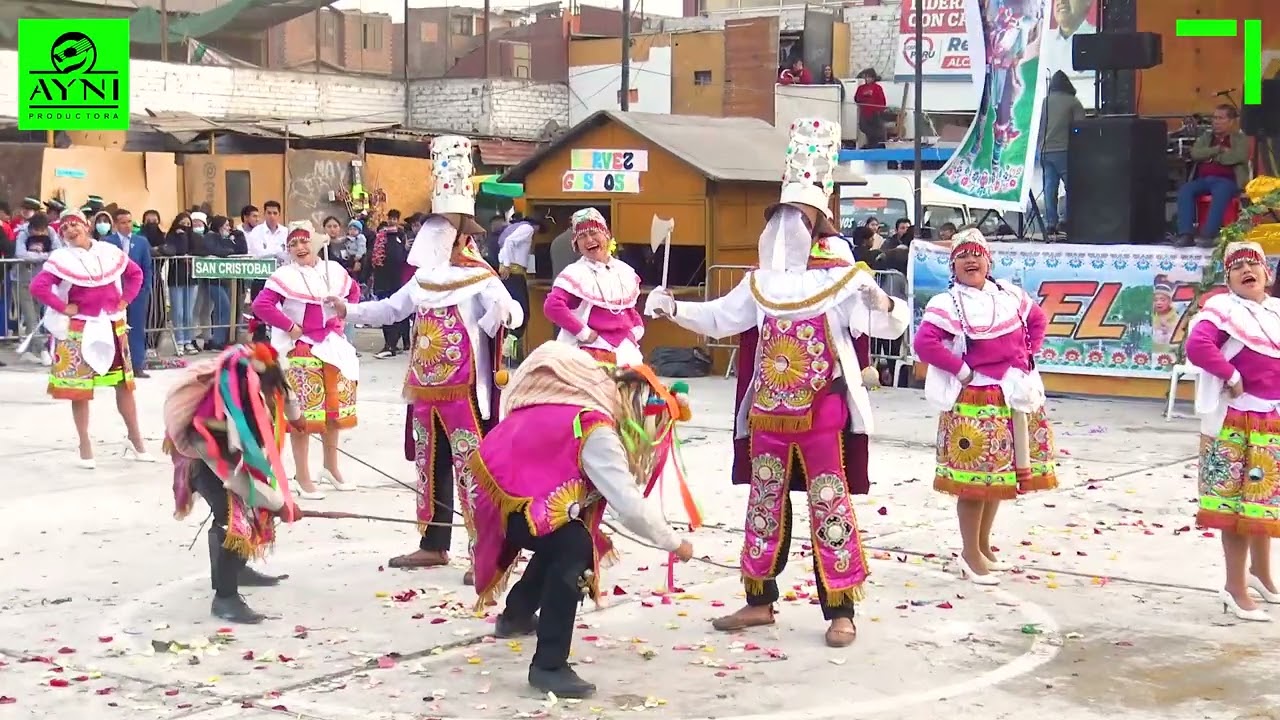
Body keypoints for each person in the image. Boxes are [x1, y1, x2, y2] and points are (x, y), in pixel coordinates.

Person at [644, 118, 909, 647]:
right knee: (764, 502)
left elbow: (883, 326)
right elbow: (720, 318)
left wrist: (888, 303)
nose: (787, 228)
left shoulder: (841, 279)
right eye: (782, 218)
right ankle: (759, 600)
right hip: (767, 413)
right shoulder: (760, 284)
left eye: (798, 218)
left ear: (817, 226)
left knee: (827, 501)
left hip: (822, 411)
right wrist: (673, 306)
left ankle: (841, 608)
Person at [329, 135, 522, 578]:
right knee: (429, 464)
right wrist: (349, 309)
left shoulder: (479, 277)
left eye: (438, 231)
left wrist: (503, 310)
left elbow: (512, 312)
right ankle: (434, 543)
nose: (429, 238)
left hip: (465, 389)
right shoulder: (424, 281)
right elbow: (393, 308)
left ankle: (485, 547)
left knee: (472, 466)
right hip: (424, 386)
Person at [470, 342, 694, 698]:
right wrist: (675, 543)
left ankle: (516, 616)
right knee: (574, 544)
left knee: (560, 534)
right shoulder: (597, 429)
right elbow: (630, 506)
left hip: (502, 486)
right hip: (506, 495)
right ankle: (548, 666)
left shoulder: (580, 402)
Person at [911, 229, 1056, 584]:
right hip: (977, 400)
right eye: (962, 255)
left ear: (988, 260)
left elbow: (1037, 320)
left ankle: (983, 546)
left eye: (977, 253)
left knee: (1000, 478)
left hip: (1013, 396)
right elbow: (925, 344)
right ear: (953, 265)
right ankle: (969, 554)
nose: (971, 259)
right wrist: (961, 371)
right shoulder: (948, 303)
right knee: (975, 482)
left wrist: (1028, 355)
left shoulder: (1008, 294)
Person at [164, 342, 301, 623]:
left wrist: (296, 417)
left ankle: (238, 568)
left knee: (253, 508)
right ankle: (225, 597)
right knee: (231, 515)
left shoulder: (259, 371)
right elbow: (234, 478)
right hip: (204, 464)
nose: (269, 397)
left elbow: (283, 389)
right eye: (264, 392)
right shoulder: (211, 420)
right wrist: (281, 503)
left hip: (231, 460)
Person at [1185, 241, 1280, 622]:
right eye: (1237, 266)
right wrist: (1232, 374)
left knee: (1263, 503)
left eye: (1253, 264)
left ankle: (1260, 574)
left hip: (1270, 422)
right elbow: (1197, 345)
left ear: (1267, 275)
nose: (1246, 269)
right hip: (1235, 426)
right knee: (1235, 507)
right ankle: (1234, 586)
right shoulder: (1222, 310)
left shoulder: (1275, 312)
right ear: (1228, 280)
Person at [28, 214, 154, 468]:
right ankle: (85, 445)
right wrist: (63, 307)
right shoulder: (61, 258)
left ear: (86, 226)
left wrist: (125, 300)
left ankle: (135, 438)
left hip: (112, 324)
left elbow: (136, 274)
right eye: (64, 228)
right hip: (79, 328)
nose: (70, 230)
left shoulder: (108, 251)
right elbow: (38, 287)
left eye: (74, 224)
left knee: (124, 386)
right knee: (80, 391)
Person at [252, 224, 361, 498]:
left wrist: (340, 319)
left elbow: (354, 292)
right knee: (303, 415)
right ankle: (302, 475)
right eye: (293, 244)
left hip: (332, 347)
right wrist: (289, 326)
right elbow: (261, 305)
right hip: (299, 349)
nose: (300, 248)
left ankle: (330, 468)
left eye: (304, 242)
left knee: (333, 412)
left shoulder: (332, 270)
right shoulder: (284, 275)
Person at [544, 208, 644, 366]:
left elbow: (627, 307)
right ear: (576, 244)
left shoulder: (622, 270)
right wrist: (584, 332)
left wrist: (637, 327)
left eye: (593, 232)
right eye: (582, 236)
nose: (589, 240)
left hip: (625, 348)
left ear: (606, 235)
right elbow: (552, 306)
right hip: (591, 350)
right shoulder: (576, 272)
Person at [1176, 105, 1250, 248]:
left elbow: (1238, 156)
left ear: (1231, 121)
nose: (1215, 121)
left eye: (1220, 118)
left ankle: (1209, 234)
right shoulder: (1207, 137)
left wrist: (1212, 158)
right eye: (1214, 118)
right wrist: (1219, 150)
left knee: (1221, 191)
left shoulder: (1240, 138)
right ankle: (1186, 234)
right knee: (1186, 189)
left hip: (1228, 181)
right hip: (1204, 180)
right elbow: (1195, 153)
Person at [101, 208, 154, 379]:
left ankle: (137, 364)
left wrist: (145, 288)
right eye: (123, 222)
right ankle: (114, 364)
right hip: (115, 293)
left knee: (137, 328)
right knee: (115, 328)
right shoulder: (107, 242)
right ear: (116, 225)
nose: (127, 225)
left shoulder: (141, 242)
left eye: (129, 222)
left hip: (137, 293)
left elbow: (147, 267)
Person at [1038, 70, 1084, 234]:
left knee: (1050, 188)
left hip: (1044, 151)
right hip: (1065, 151)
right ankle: (1066, 220)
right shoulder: (1073, 102)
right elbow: (1081, 127)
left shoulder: (1043, 103)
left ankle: (1050, 224)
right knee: (1072, 187)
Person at [195, 215, 244, 350]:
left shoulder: (226, 238)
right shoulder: (210, 237)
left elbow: (239, 249)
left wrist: (237, 237)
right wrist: (226, 251)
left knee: (222, 309)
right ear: (219, 225)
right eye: (226, 225)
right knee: (224, 308)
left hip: (224, 279)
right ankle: (218, 340)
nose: (229, 228)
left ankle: (220, 339)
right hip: (213, 279)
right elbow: (214, 250)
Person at [368, 224, 410, 358]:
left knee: (388, 315)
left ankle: (390, 345)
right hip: (397, 284)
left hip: (386, 285)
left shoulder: (381, 245)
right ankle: (403, 342)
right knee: (400, 314)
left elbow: (371, 262)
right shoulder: (397, 244)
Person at [165, 212, 200, 355]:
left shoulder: (194, 237)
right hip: (176, 278)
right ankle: (179, 341)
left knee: (188, 312)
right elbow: (176, 250)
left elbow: (199, 249)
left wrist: (187, 237)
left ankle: (188, 341)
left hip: (191, 278)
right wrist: (181, 237)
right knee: (178, 312)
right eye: (183, 224)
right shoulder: (172, 236)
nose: (185, 227)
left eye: (188, 224)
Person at [853, 68, 888, 148]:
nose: (867, 79)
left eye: (869, 77)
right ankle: (872, 143)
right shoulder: (861, 88)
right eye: (866, 77)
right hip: (864, 113)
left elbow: (882, 100)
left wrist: (880, 111)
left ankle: (876, 144)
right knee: (864, 127)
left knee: (878, 131)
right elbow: (856, 98)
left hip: (875, 113)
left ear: (873, 78)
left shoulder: (877, 87)